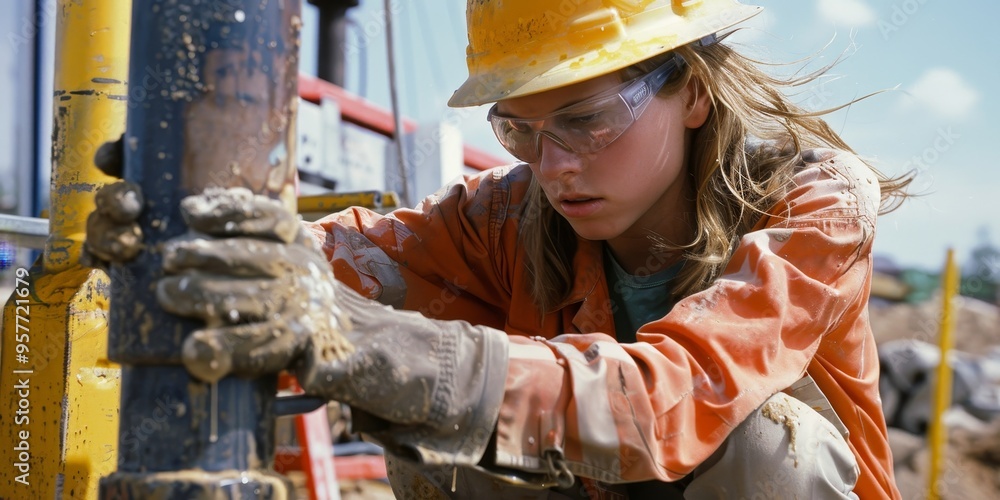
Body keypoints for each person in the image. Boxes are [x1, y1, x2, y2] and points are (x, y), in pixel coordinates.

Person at [87, 0, 912, 497]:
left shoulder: (813, 207)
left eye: (587, 119)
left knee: (772, 444)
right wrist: (191, 225)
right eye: (518, 129)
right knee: (439, 442)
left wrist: (374, 346)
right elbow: (331, 259)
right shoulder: (509, 215)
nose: (553, 166)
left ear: (692, 92)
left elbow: (665, 403)